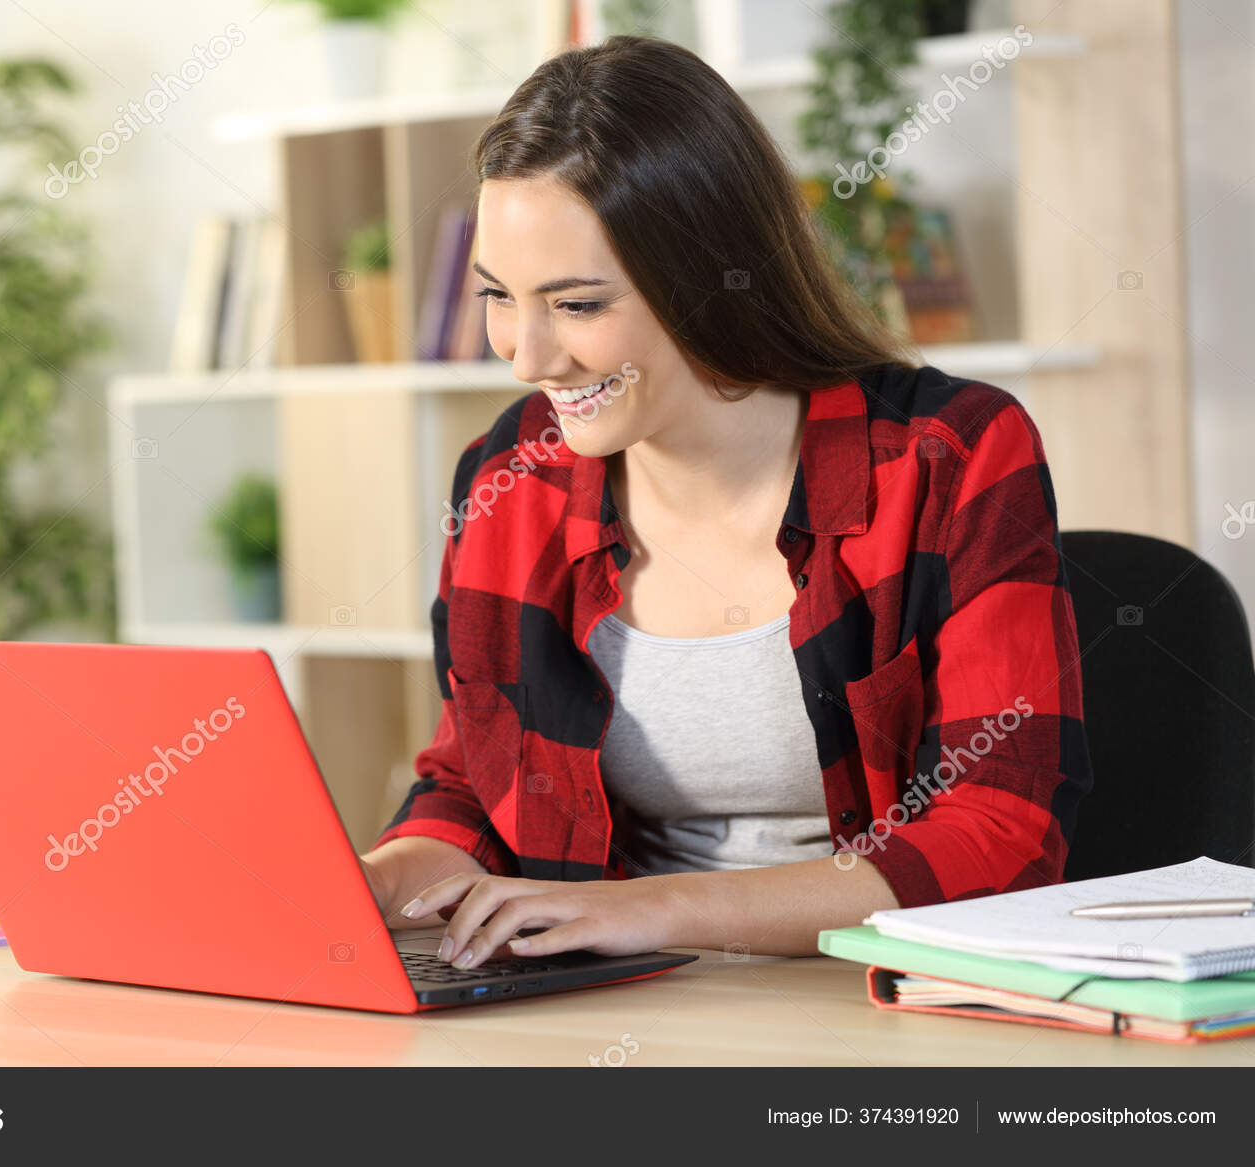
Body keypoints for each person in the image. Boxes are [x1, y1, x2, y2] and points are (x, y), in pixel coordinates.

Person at [357, 35, 1091, 973]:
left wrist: (654, 909)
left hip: (871, 1000)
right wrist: (371, 880)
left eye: (577, 305)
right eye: (499, 295)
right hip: (611, 1001)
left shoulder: (951, 456)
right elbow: (469, 786)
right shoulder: (510, 477)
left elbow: (1002, 833)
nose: (526, 356)